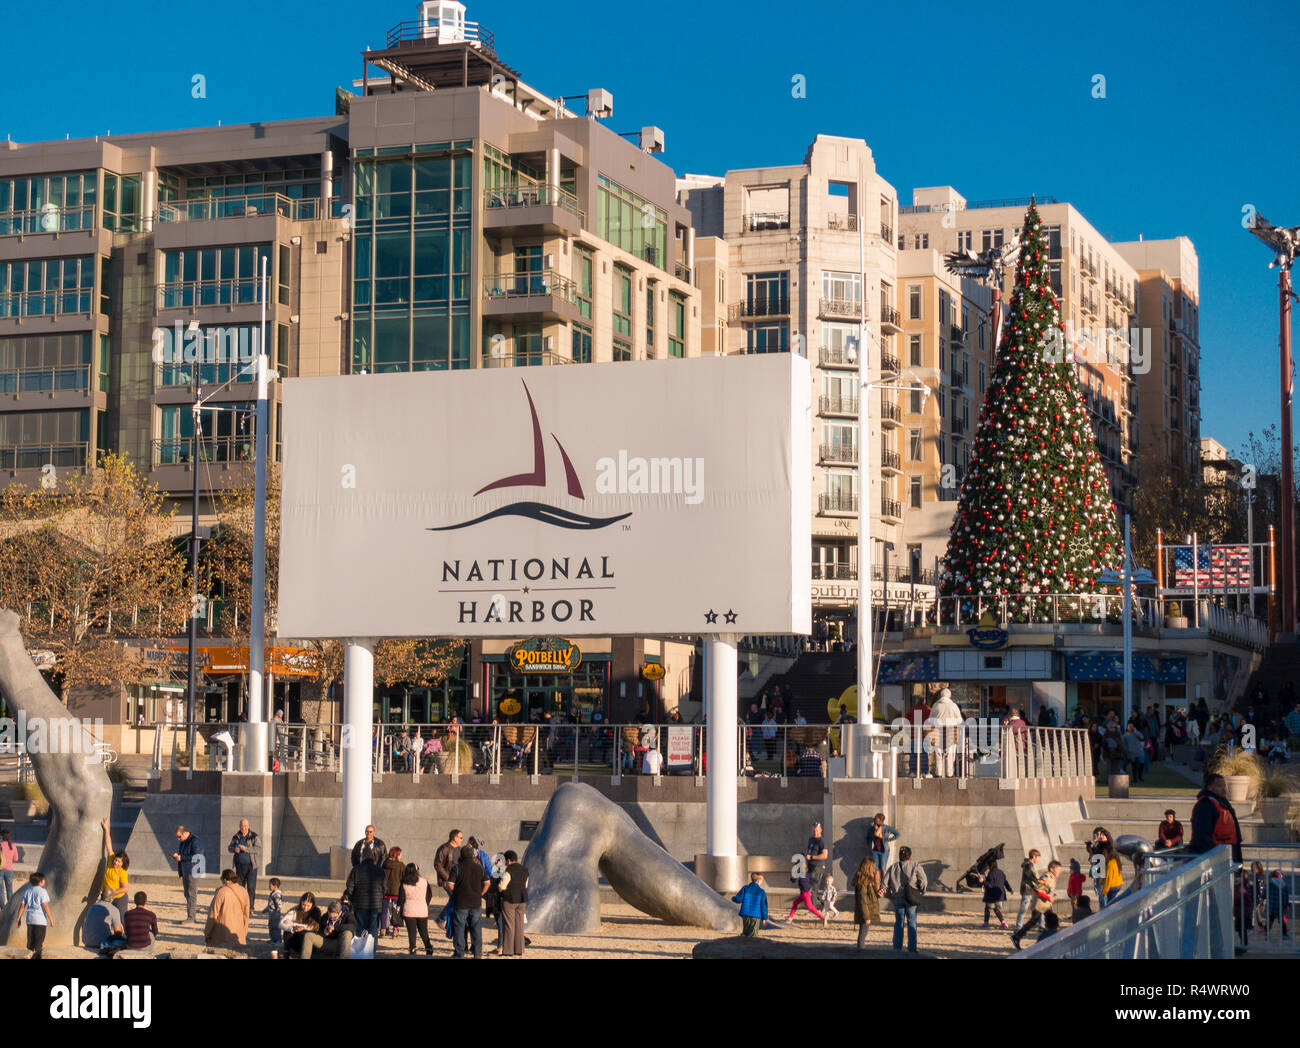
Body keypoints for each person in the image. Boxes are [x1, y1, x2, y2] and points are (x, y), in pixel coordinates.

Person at [1189, 773, 1243, 863]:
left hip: (1228, 853)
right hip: (1216, 857)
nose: (1223, 789)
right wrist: (1214, 856)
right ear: (1209, 787)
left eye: (1224, 786)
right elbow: (1202, 835)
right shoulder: (1205, 805)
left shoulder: (1223, 803)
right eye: (1219, 786)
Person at [448, 844, 488, 958]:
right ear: (472, 855)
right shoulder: (479, 868)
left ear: (461, 855)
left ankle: (460, 952)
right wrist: (481, 893)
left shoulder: (456, 868)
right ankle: (477, 953)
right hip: (476, 902)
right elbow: (487, 883)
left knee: (459, 928)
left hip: (461, 903)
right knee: (476, 928)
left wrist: (457, 893)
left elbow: (450, 884)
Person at [885, 845, 927, 953]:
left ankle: (897, 947)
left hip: (897, 898)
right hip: (911, 897)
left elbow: (884, 883)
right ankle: (912, 948)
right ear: (910, 856)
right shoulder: (915, 865)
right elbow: (923, 881)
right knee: (912, 921)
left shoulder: (893, 867)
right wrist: (921, 891)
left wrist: (890, 896)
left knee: (899, 923)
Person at [1012, 859, 1061, 949]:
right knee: (1034, 921)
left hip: (1046, 904)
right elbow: (1037, 889)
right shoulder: (1046, 876)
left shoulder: (1052, 877)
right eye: (1058, 869)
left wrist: (1051, 894)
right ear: (1051, 869)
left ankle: (1048, 939)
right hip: (1040, 904)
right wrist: (1048, 897)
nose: (1059, 872)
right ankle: (1017, 936)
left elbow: (1046, 889)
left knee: (1050, 919)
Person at [205, 868, 251, 947]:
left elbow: (213, 914)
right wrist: (244, 931)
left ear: (225, 879)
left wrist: (207, 932)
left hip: (222, 934)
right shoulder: (243, 890)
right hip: (238, 933)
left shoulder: (222, 892)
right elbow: (246, 914)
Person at [343, 856, 385, 940]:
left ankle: (361, 949)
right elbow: (384, 888)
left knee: (360, 928)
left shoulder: (356, 869)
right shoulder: (380, 870)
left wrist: (352, 898)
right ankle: (372, 950)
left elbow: (350, 887)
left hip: (360, 904)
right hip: (375, 905)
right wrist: (380, 898)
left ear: (363, 858)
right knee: (373, 929)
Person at [12, 872, 53, 957]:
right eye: (44, 880)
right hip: (40, 921)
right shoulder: (43, 891)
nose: (44, 881)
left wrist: (18, 919)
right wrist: (51, 919)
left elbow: (22, 906)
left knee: (30, 944)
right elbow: (45, 905)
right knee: (38, 944)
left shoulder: (28, 891)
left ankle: (28, 956)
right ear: (41, 881)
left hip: (30, 920)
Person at [434, 828, 464, 938]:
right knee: (455, 899)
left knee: (454, 900)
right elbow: (437, 864)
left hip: (457, 880)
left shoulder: (460, 850)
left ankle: (444, 921)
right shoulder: (444, 848)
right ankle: (442, 920)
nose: (462, 839)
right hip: (447, 880)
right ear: (454, 838)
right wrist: (448, 878)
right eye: (460, 837)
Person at [100, 817, 130, 925]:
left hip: (119, 899)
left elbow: (125, 888)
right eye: (116, 860)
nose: (116, 863)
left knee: (121, 920)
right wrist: (106, 829)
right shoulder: (111, 860)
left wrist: (112, 893)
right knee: (105, 919)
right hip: (106, 896)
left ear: (123, 864)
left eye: (118, 862)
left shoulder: (122, 872)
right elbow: (109, 845)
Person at [499, 850, 529, 956]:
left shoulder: (508, 870)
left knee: (509, 925)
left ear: (508, 860)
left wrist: (499, 889)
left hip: (509, 900)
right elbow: (525, 885)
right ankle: (519, 949)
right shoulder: (525, 870)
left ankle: (508, 951)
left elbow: (502, 886)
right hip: (522, 900)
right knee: (519, 925)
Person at [400, 862, 434, 956]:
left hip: (409, 910)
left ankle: (413, 949)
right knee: (423, 931)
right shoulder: (424, 881)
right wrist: (424, 903)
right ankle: (428, 947)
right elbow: (429, 895)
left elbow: (401, 899)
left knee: (411, 932)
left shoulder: (404, 883)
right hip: (422, 910)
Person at [929, 687, 964, 777]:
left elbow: (930, 720)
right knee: (950, 753)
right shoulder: (953, 706)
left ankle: (938, 773)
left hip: (937, 731)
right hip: (951, 731)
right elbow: (960, 721)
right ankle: (949, 773)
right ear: (950, 696)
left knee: (938, 753)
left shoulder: (936, 705)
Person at [171, 825, 202, 923]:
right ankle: (192, 916)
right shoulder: (183, 841)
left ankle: (191, 918)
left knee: (191, 894)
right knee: (187, 894)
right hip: (185, 870)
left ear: (185, 833)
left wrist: (181, 857)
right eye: (177, 837)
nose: (178, 839)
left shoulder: (195, 841)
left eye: (179, 837)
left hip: (193, 871)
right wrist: (177, 857)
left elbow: (197, 855)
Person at [226, 818, 259, 909]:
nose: (243, 828)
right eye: (242, 826)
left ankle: (250, 907)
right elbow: (229, 848)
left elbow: (258, 849)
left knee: (251, 888)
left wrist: (246, 849)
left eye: (245, 826)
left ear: (248, 826)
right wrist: (234, 850)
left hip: (251, 866)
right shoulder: (236, 837)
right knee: (240, 887)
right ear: (239, 826)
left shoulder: (254, 836)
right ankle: (240, 906)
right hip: (239, 866)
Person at [851, 857, 881, 948]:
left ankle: (861, 950)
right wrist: (866, 917)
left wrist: (878, 892)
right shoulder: (862, 882)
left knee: (864, 932)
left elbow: (871, 896)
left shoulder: (868, 881)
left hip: (867, 911)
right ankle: (860, 951)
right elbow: (862, 901)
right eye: (873, 867)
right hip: (865, 913)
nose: (875, 869)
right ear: (869, 868)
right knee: (863, 933)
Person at [283, 892, 322, 958]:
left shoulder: (316, 911)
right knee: (288, 930)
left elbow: (314, 927)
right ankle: (287, 951)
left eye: (308, 906)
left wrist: (297, 925)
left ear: (312, 905)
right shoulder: (296, 909)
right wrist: (292, 926)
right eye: (303, 905)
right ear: (301, 902)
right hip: (297, 935)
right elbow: (282, 923)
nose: (305, 908)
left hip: (308, 936)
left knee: (305, 934)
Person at [733, 873, 770, 937]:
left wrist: (733, 898)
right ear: (758, 880)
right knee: (753, 935)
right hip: (755, 915)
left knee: (746, 931)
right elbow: (763, 906)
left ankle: (743, 941)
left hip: (745, 914)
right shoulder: (761, 891)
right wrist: (764, 918)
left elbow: (738, 899)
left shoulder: (745, 888)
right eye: (762, 881)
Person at [1016, 849, 1043, 931]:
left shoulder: (1030, 864)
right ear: (1034, 856)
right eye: (1038, 857)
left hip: (1032, 890)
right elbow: (1031, 876)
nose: (1038, 859)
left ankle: (1041, 925)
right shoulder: (1028, 865)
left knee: (1038, 908)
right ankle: (1018, 927)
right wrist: (1040, 882)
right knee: (1023, 909)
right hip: (1028, 891)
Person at [980, 859, 1010, 929]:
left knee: (987, 908)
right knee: (996, 909)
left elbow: (989, 885)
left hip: (991, 895)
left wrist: (983, 881)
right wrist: (1009, 889)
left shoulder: (991, 873)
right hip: (1000, 895)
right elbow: (1005, 882)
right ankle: (1003, 923)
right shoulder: (1001, 872)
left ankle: (986, 924)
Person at [382, 846, 405, 938]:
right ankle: (395, 930)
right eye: (400, 854)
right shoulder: (401, 866)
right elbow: (403, 878)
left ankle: (383, 930)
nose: (401, 856)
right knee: (396, 911)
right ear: (396, 855)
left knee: (384, 911)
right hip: (396, 892)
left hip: (385, 891)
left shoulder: (385, 863)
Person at [1267, 868, 1291, 938]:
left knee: (1270, 920)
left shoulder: (1270, 884)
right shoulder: (1284, 885)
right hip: (1280, 907)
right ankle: (1284, 934)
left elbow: (1266, 892)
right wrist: (1286, 904)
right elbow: (1286, 896)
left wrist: (1262, 898)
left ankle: (1267, 933)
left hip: (1272, 906)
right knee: (1282, 922)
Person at [805, 822, 829, 886]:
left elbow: (825, 855)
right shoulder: (811, 839)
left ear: (821, 830)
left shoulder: (822, 841)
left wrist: (812, 857)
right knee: (807, 887)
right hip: (809, 866)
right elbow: (809, 851)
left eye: (817, 831)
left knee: (813, 888)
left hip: (817, 867)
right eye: (814, 831)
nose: (815, 832)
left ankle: (814, 896)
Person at [265, 877, 284, 948]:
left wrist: (277, 913)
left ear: (275, 886)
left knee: (276, 927)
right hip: (271, 913)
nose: (269, 887)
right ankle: (273, 939)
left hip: (275, 914)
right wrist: (266, 909)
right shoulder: (272, 893)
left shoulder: (277, 895)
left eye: (270, 885)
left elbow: (278, 905)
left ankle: (278, 940)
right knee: (271, 926)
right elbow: (270, 904)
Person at [0, 829, 16, 906]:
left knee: (1, 890)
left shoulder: (0, 845)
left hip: (0, 869)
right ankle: (9, 907)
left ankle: (3, 908)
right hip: (9, 869)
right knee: (9, 889)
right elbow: (16, 858)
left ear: (1, 836)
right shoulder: (12, 846)